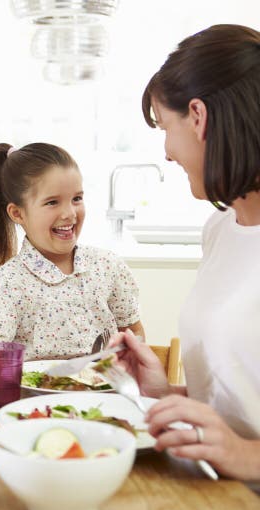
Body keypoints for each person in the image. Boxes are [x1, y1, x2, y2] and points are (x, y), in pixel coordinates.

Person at [108, 24, 260, 482]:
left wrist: (244, 456)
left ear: (198, 116)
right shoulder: (221, 230)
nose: (168, 153)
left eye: (164, 126)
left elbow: (240, 441)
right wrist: (163, 390)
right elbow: (240, 401)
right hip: (218, 493)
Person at [0, 142, 145, 360]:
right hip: (34, 395)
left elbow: (133, 331)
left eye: (77, 199)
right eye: (52, 202)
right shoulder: (5, 287)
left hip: (104, 393)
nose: (69, 213)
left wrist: (126, 358)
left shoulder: (108, 266)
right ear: (17, 213)